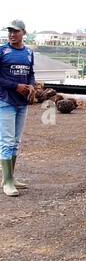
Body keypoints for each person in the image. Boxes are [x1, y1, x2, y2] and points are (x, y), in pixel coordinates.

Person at [0, 19, 34, 197]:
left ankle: (10, 177)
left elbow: (30, 74)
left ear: (23, 33)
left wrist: (31, 86)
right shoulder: (2, 51)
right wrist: (16, 86)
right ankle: (6, 183)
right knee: (6, 142)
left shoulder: (28, 53)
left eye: (16, 31)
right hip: (5, 102)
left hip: (22, 103)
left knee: (15, 142)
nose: (12, 34)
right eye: (10, 31)